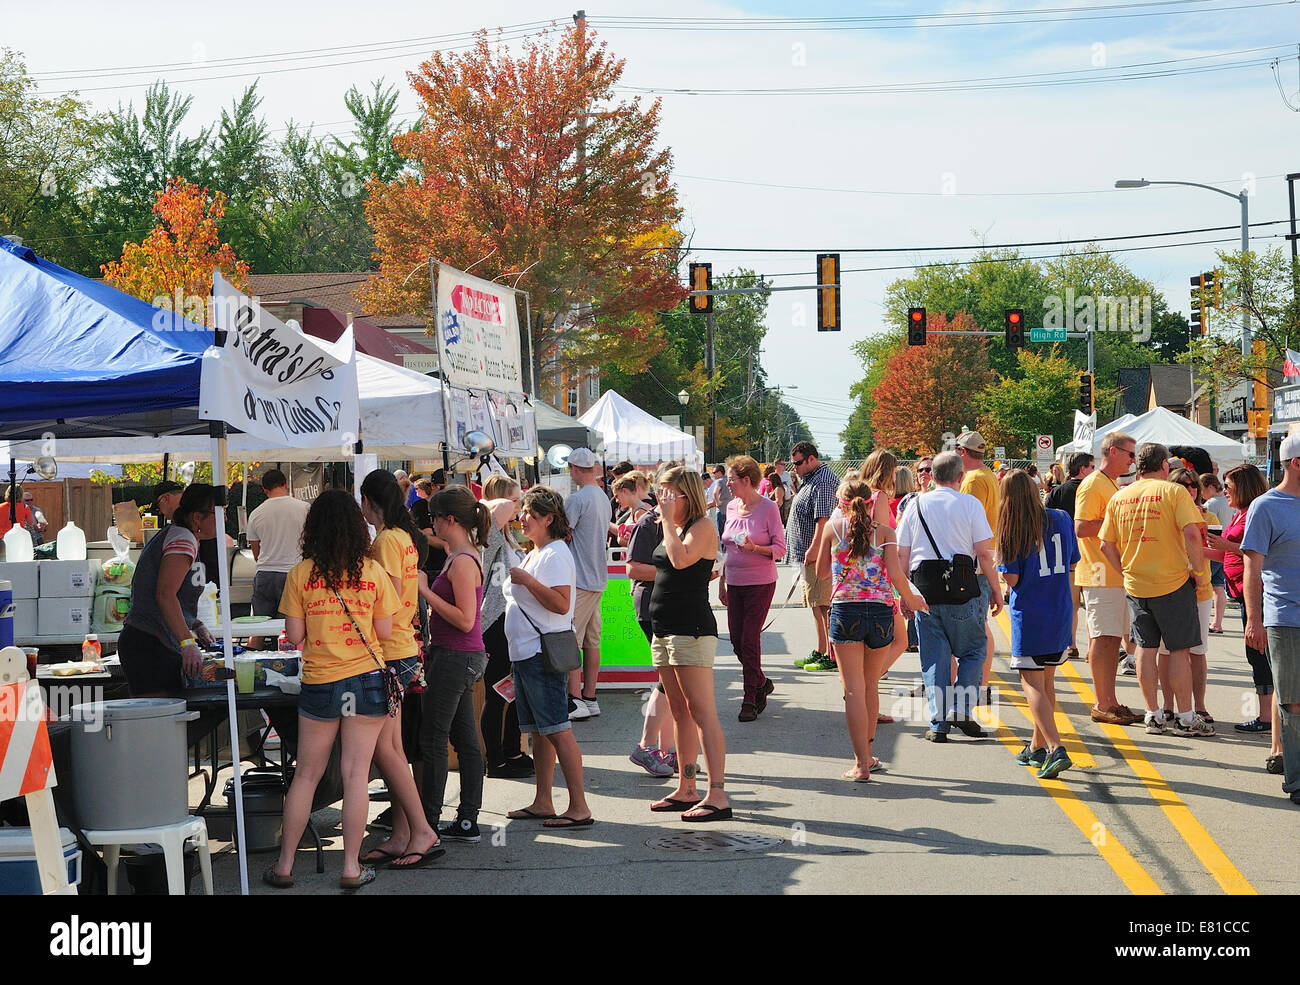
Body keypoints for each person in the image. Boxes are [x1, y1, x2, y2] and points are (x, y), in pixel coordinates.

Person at [266, 489, 418, 890]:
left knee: (307, 775)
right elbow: (385, 632)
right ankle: (351, 868)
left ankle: (284, 866)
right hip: (366, 680)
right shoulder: (373, 573)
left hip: (319, 682)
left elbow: (294, 636)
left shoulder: (301, 574)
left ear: (312, 528)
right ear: (356, 526)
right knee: (355, 776)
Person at [355, 469, 443, 870]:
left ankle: (419, 830)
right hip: (401, 648)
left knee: (388, 750)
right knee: (392, 749)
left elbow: (383, 597)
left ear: (370, 502)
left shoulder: (389, 539)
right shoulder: (402, 537)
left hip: (391, 650)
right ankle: (405, 833)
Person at [1098, 442, 1213, 737]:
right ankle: (1186, 717)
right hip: (1172, 582)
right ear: (1164, 466)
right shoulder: (1174, 492)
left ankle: (1153, 714)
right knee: (1178, 650)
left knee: (1146, 650)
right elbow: (1192, 534)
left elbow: (1105, 545)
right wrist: (1199, 573)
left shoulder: (1120, 497)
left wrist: (1123, 571)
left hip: (1137, 583)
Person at [816, 476, 927, 780]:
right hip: (880, 612)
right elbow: (895, 576)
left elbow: (822, 572)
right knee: (870, 687)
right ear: (871, 502)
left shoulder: (832, 529)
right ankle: (869, 755)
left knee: (852, 690)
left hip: (844, 610)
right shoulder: (886, 533)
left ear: (841, 502)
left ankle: (861, 763)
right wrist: (913, 601)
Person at [896, 451, 1005, 741]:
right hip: (962, 589)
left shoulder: (915, 505)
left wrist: (904, 594)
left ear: (931, 476)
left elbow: (901, 555)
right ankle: (961, 708)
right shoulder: (970, 504)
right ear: (960, 477)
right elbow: (983, 552)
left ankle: (937, 724)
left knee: (934, 658)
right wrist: (996, 589)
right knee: (973, 651)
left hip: (924, 591)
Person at [502, 487, 594, 829]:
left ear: (548, 518)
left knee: (557, 729)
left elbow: (560, 604)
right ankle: (544, 801)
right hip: (528, 652)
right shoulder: (539, 551)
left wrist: (526, 580)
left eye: (529, 513)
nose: (522, 517)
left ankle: (579, 806)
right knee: (541, 732)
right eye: (523, 511)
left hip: (541, 653)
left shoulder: (554, 554)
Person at [648, 465, 730, 821]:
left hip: (691, 629)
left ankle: (718, 794)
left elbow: (681, 561)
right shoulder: (676, 527)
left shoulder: (702, 527)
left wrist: (666, 521)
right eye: (659, 493)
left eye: (668, 494)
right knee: (678, 711)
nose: (662, 500)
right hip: (665, 628)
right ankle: (687, 787)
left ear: (686, 495)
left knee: (701, 712)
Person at [415, 486, 492, 843]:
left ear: (449, 520)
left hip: (456, 654)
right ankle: (465, 820)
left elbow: (464, 619)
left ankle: (427, 822)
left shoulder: (462, 561)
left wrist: (426, 592)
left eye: (433, 518)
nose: (431, 525)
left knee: (434, 738)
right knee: (464, 738)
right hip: (458, 655)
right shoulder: (459, 554)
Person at [996, 471, 1080, 779]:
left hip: (1029, 613)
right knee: (1047, 684)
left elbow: (1012, 578)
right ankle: (1036, 746)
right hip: (1058, 608)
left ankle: (1056, 747)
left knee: (1031, 684)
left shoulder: (1012, 527)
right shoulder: (1060, 517)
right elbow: (1073, 562)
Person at [1209, 464, 1282, 765]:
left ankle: (1268, 717)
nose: (1224, 490)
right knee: (1256, 655)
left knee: (1262, 655)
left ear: (1244, 486)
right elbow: (1228, 552)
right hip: (1242, 592)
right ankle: (1266, 715)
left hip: (1259, 593)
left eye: (1228, 485)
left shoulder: (1255, 511)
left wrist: (1226, 545)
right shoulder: (1240, 512)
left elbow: (1256, 552)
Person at [1241, 432, 1300, 805]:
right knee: (1293, 701)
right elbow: (1252, 567)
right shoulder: (1266, 506)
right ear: (1296, 463)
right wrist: (1253, 619)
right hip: (1285, 618)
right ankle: (1296, 780)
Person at [119, 484, 218, 696]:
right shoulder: (183, 539)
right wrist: (187, 642)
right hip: (148, 644)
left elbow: (172, 593)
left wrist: (195, 624)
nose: (223, 519)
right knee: (160, 723)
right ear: (197, 518)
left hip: (149, 641)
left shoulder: (180, 535)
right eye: (217, 512)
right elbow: (164, 594)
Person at [1073, 432, 1142, 725]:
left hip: (1111, 573)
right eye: (1130, 454)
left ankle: (1109, 700)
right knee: (1104, 639)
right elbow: (1081, 527)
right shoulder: (1093, 484)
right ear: (1113, 452)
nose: (1133, 460)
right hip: (1100, 573)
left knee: (1112, 640)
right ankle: (1103, 703)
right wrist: (1119, 521)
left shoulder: (1110, 483)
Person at [719, 455, 786, 721]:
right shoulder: (732, 507)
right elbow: (726, 547)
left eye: (731, 479)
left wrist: (754, 548)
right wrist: (723, 581)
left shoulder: (768, 508)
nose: (727, 484)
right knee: (736, 640)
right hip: (734, 581)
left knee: (749, 638)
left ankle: (749, 696)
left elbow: (780, 549)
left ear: (747, 480)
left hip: (760, 581)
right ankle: (761, 681)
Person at [478, 475, 534, 778]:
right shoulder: (490, 532)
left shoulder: (508, 534)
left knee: (512, 690)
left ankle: (513, 751)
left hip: (512, 619)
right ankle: (496, 760)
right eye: (515, 500)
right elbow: (495, 508)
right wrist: (502, 503)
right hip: (495, 620)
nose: (520, 506)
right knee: (497, 691)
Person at [626, 464, 677, 777]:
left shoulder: (677, 522)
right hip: (652, 606)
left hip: (670, 606)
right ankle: (647, 746)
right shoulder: (649, 522)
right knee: (669, 679)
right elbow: (632, 568)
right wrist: (676, 574)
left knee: (673, 682)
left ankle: (667, 750)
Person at [1160, 468, 1214, 722]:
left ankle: (1199, 705)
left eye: (1194, 485)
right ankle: (1168, 704)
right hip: (1170, 587)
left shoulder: (1209, 516)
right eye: (1183, 484)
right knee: (1167, 650)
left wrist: (1205, 553)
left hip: (1201, 589)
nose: (1190, 489)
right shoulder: (1164, 514)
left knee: (1198, 651)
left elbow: (1221, 554)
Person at [562, 447, 611, 720]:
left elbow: (564, 533)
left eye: (570, 468)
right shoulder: (602, 496)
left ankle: (576, 699)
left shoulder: (578, 498)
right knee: (592, 641)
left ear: (575, 469)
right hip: (596, 577)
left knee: (571, 640)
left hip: (580, 578)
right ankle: (589, 696)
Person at [787, 441, 840, 672]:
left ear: (811, 459)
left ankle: (831, 654)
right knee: (816, 605)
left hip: (819, 555)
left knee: (823, 605)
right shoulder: (811, 479)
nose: (795, 467)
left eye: (798, 462)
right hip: (810, 554)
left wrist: (814, 550)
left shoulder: (824, 481)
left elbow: (824, 520)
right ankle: (821, 650)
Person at [956, 431, 999, 699]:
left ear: (962, 452)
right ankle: (981, 683)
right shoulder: (988, 476)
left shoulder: (972, 480)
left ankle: (979, 686)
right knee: (979, 627)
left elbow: (965, 524)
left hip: (973, 562)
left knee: (975, 629)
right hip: (984, 558)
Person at [245, 469, 310, 644]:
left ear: (265, 490)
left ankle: (253, 661)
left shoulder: (256, 513)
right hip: (294, 573)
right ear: (285, 484)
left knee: (258, 629)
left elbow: (256, 552)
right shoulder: (304, 508)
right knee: (291, 630)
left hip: (265, 573)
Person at [1046, 452, 1095, 658]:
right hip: (1092, 555)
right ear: (1083, 469)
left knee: (1072, 604)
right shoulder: (1093, 490)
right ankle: (1093, 648)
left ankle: (1071, 643)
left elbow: (1045, 522)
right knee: (1092, 605)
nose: (1094, 471)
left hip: (1065, 556)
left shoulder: (1057, 492)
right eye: (1092, 467)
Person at [1201, 473, 1232, 634]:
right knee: (1219, 586)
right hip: (1226, 548)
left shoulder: (1211, 504)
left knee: (1205, 585)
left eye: (1202, 489)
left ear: (1211, 487)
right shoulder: (1228, 501)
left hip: (1212, 547)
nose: (1201, 494)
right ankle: (1217, 622)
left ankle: (1203, 621)